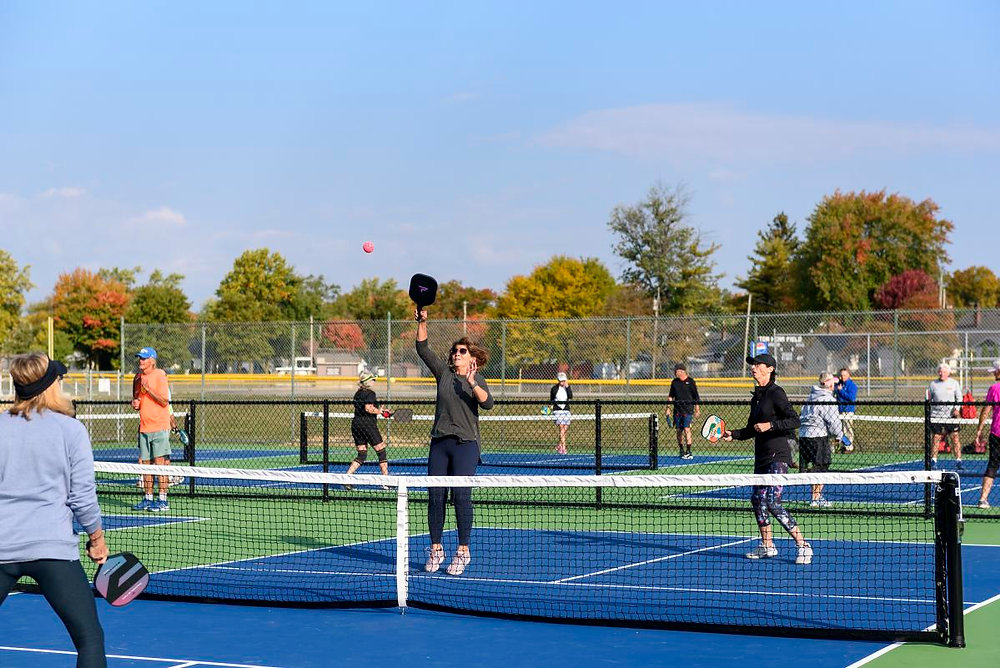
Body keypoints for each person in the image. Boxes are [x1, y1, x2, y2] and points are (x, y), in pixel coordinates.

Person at [0, 353, 109, 668]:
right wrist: (97, 538)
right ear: (50, 386)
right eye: (59, 379)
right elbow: (83, 496)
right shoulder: (71, 430)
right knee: (89, 639)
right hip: (52, 551)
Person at [416, 307, 494, 576]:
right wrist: (422, 322)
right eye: (455, 351)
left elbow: (488, 404)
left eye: (462, 351)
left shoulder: (477, 379)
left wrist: (472, 383)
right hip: (440, 443)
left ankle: (463, 551)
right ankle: (436, 549)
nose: (456, 354)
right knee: (435, 496)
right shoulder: (444, 375)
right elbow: (423, 349)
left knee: (461, 496)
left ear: (471, 358)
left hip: (465, 445)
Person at [722, 353, 812, 565]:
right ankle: (767, 545)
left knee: (772, 501)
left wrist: (770, 426)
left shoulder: (776, 393)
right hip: (761, 456)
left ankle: (803, 545)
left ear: (770, 369)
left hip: (778, 456)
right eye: (753, 365)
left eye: (758, 365)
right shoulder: (757, 397)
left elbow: (794, 420)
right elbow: (751, 429)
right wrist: (732, 435)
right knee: (757, 500)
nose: (753, 368)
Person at [798, 372, 851, 508]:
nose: (834, 385)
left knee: (815, 468)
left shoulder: (810, 397)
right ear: (826, 383)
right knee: (821, 467)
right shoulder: (829, 400)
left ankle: (815, 497)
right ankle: (816, 498)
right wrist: (840, 436)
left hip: (804, 437)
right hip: (818, 437)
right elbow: (834, 422)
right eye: (832, 382)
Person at [131, 346, 173, 511]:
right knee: (146, 465)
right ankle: (148, 498)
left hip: (160, 427)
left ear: (152, 361)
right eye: (139, 358)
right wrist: (136, 404)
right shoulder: (138, 378)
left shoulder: (160, 375)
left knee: (160, 465)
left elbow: (163, 401)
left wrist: (149, 389)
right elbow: (138, 401)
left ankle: (163, 500)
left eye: (143, 358)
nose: (140, 361)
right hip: (144, 428)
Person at [344, 371, 389, 487]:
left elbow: (367, 407)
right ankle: (385, 482)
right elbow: (368, 408)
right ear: (368, 382)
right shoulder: (370, 394)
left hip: (356, 424)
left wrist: (380, 411)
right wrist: (379, 411)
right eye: (373, 379)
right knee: (381, 452)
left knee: (362, 454)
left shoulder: (357, 393)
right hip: (367, 425)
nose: (374, 381)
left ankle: (346, 478)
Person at [973, 359, 1000, 509]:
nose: (993, 374)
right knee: (992, 465)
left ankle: (983, 499)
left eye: (995, 371)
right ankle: (983, 499)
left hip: (996, 433)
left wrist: (979, 430)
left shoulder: (994, 389)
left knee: (992, 466)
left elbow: (986, 410)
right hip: (997, 433)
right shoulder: (994, 388)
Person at [928, 362, 964, 471]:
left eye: (943, 372)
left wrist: (957, 410)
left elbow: (959, 398)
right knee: (936, 437)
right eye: (939, 371)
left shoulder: (954, 383)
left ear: (948, 373)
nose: (941, 373)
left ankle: (958, 461)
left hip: (950, 416)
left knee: (955, 437)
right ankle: (933, 460)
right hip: (936, 415)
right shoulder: (933, 384)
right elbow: (929, 399)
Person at [666, 363, 701, 459]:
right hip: (677, 410)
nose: (674, 372)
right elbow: (670, 396)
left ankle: (689, 451)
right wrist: (668, 408)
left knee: (687, 429)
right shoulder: (674, 382)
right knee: (678, 431)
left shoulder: (691, 382)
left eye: (676, 370)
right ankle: (681, 449)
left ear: (682, 371)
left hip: (688, 410)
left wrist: (697, 409)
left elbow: (696, 397)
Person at [833, 367, 858, 453]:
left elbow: (851, 398)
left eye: (844, 375)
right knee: (841, 429)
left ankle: (849, 447)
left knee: (848, 429)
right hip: (839, 410)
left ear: (848, 375)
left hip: (848, 410)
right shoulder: (839, 384)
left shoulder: (852, 385)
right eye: (841, 375)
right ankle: (843, 446)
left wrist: (841, 391)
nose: (843, 377)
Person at [550, 372, 573, 454]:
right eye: (561, 381)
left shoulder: (567, 388)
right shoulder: (554, 389)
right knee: (561, 428)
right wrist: (550, 408)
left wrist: (567, 387)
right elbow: (552, 399)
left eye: (564, 380)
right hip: (557, 410)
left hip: (566, 410)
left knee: (565, 428)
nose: (562, 382)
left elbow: (570, 396)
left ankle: (559, 445)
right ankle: (563, 447)